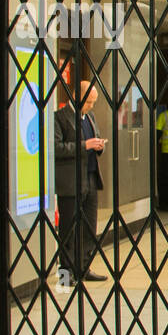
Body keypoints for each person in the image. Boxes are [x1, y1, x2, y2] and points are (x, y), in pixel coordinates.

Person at [54, 80, 107, 283]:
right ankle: (66, 274)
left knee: (88, 227)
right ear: (76, 96)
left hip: (90, 177)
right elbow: (57, 148)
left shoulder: (90, 117)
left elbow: (96, 138)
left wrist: (99, 145)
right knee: (69, 229)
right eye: (88, 102)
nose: (91, 106)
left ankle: (84, 267)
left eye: (93, 103)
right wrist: (85, 145)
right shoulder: (60, 118)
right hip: (70, 181)